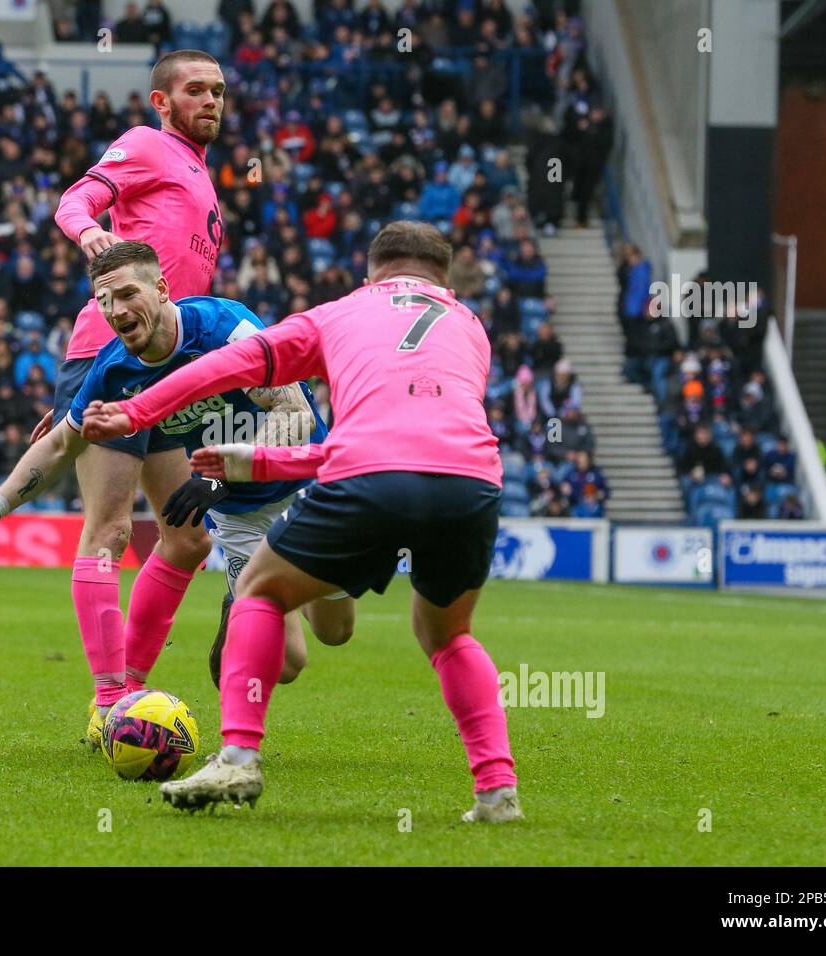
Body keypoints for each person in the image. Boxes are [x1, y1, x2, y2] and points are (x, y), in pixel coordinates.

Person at [81, 222, 521, 823]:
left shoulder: (339, 314)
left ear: (371, 276)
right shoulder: (471, 328)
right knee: (449, 636)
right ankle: (497, 793)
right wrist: (259, 460)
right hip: (472, 483)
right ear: (442, 280)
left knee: (261, 592)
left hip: (363, 477)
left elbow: (223, 370)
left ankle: (237, 757)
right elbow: (421, 436)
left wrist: (135, 410)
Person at [0, 242, 354, 744]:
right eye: (105, 301)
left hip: (311, 486)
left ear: (162, 289)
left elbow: (294, 415)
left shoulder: (226, 330)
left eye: (126, 294)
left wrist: (218, 476)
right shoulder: (115, 370)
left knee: (335, 631)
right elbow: (60, 443)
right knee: (289, 664)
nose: (117, 310)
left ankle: (262, 595)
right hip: (241, 515)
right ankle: (240, 625)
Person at [39, 50, 230, 741]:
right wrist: (96, 239)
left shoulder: (202, 177)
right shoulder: (149, 145)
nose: (210, 100)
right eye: (194, 90)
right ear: (161, 101)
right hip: (112, 356)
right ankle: (108, 699)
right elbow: (74, 200)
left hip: (173, 366)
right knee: (112, 528)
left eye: (217, 90)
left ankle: (133, 691)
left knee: (184, 538)